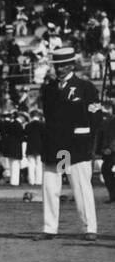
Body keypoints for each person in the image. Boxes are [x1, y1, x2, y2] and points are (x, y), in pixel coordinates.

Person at [37, 44, 99, 240]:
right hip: (55, 146)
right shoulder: (47, 89)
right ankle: (49, 228)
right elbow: (48, 117)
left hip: (77, 146)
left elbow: (95, 119)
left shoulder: (85, 87)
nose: (60, 68)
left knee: (81, 187)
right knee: (50, 187)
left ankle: (89, 228)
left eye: (64, 65)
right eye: (57, 65)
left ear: (72, 65)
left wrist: (90, 143)